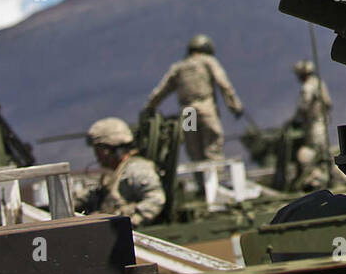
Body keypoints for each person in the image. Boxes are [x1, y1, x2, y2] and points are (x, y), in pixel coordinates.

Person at [145, 34, 244, 163]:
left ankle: (200, 180)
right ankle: (215, 179)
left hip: (187, 112)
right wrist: (235, 106)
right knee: (213, 145)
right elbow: (224, 85)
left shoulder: (180, 67)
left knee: (194, 149)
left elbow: (161, 90)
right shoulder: (208, 62)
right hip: (205, 108)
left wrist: (150, 107)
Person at [71, 117, 165, 227]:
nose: (96, 155)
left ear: (110, 149)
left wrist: (131, 221)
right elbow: (96, 194)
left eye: (98, 149)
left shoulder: (136, 169)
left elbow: (156, 198)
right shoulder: (113, 173)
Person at [289, 59, 334, 191]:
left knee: (315, 152)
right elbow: (328, 103)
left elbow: (304, 106)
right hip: (322, 122)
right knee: (323, 151)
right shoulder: (319, 83)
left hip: (314, 124)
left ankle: (318, 182)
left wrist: (295, 120)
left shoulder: (308, 87)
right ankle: (327, 178)